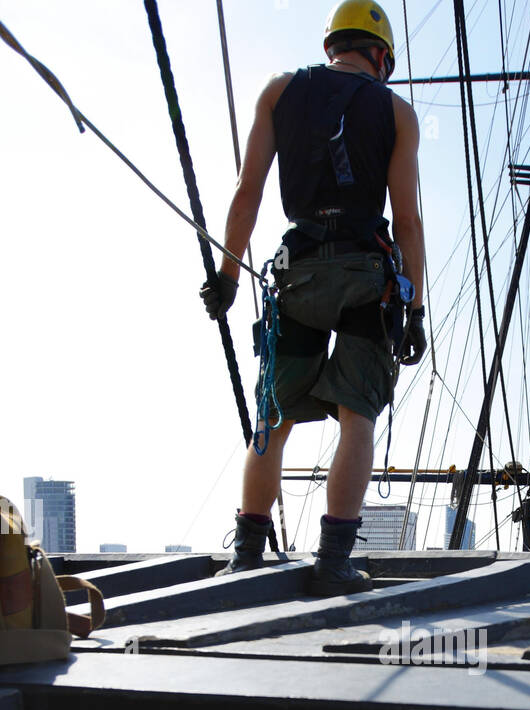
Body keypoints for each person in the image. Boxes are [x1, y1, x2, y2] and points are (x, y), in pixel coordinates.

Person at [201, 2, 426, 593]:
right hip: (363, 275)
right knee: (356, 417)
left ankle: (247, 552)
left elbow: (248, 192)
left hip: (297, 273)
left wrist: (226, 276)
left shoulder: (279, 92)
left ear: (333, 45)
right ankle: (334, 561)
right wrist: (417, 307)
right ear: (381, 56)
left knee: (273, 418)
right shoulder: (397, 112)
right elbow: (408, 220)